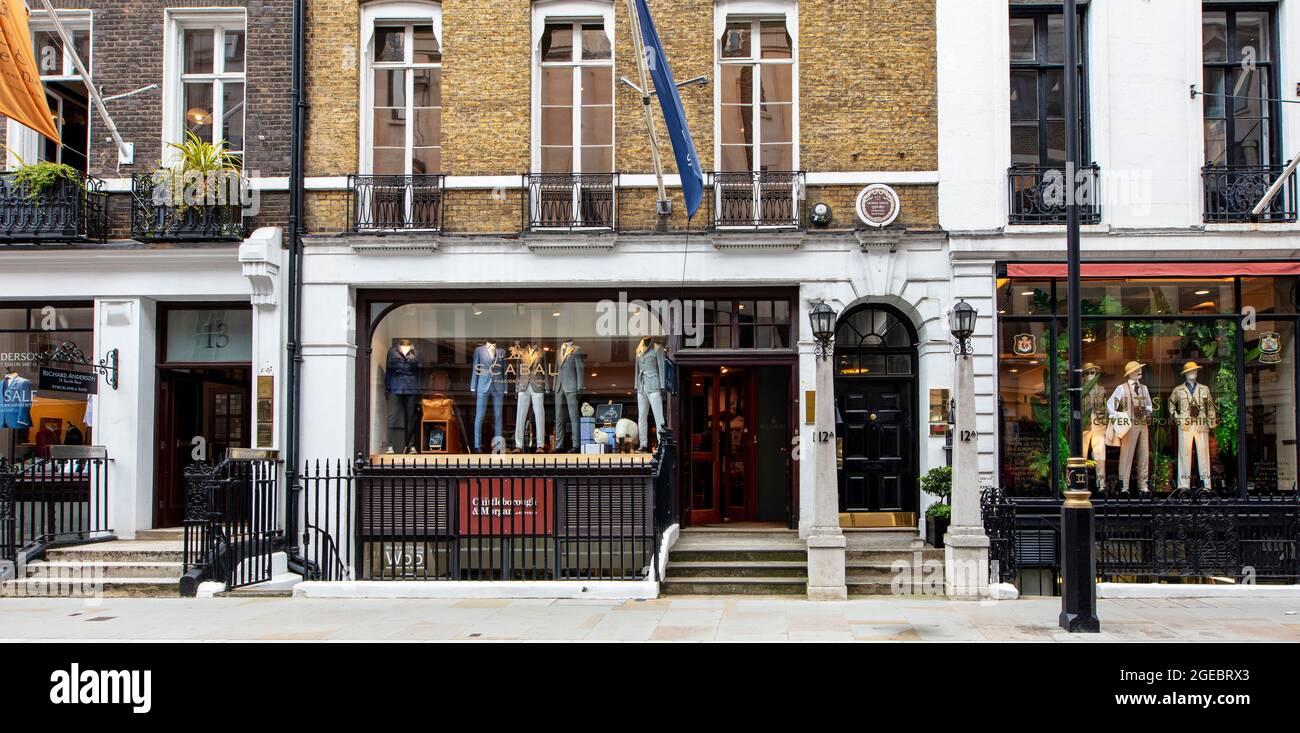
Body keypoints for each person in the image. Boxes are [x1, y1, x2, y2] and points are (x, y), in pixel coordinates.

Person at [1169, 361, 1217, 490]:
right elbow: (1171, 407)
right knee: (1184, 455)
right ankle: (1183, 486)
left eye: (1195, 371)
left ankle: (1206, 486)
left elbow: (1210, 407)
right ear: (1185, 374)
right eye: (1190, 371)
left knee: (1204, 455)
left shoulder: (1204, 389)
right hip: (1185, 425)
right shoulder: (1178, 390)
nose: (1193, 373)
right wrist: (1178, 419)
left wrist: (1211, 422)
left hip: (1201, 424)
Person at [1107, 360, 1153, 493]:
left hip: (1143, 424)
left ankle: (1143, 485)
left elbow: (1149, 404)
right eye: (1136, 370)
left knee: (1144, 454)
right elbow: (1111, 404)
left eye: (1140, 369)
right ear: (1130, 373)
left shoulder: (1144, 388)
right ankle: (1124, 486)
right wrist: (1119, 417)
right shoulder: (1122, 388)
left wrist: (1147, 412)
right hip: (1129, 425)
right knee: (1126, 455)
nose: (1140, 372)